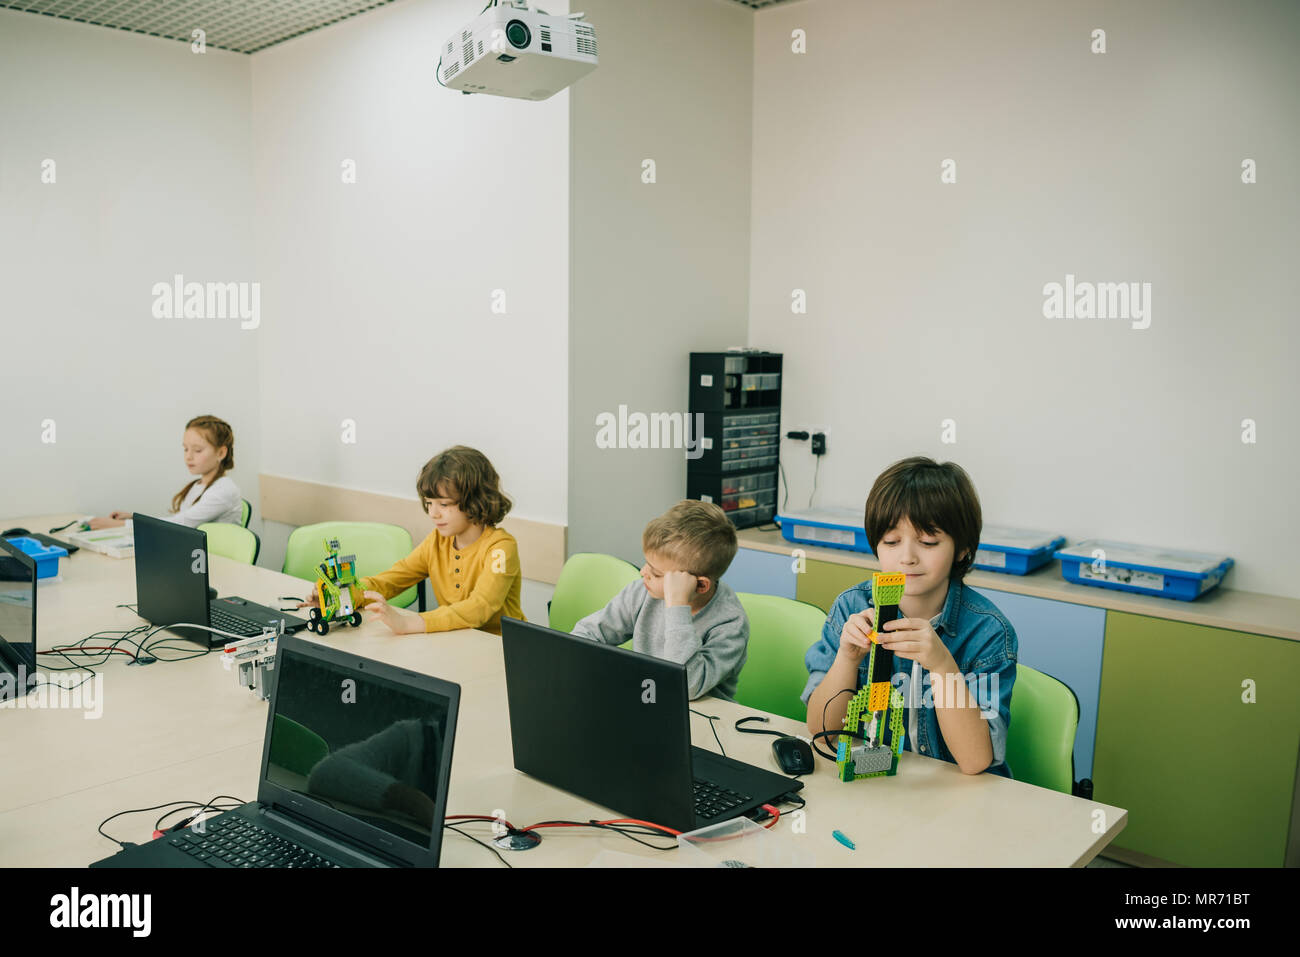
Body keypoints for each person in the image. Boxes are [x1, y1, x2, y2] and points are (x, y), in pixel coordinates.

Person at [803, 456, 1017, 776]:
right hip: (885, 782)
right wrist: (847, 659)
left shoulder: (988, 631)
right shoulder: (852, 607)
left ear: (962, 549)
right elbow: (824, 730)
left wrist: (942, 665)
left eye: (928, 542)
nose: (907, 558)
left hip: (957, 792)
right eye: (891, 541)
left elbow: (974, 762)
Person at [301, 445, 523, 635]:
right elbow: (391, 580)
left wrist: (409, 622)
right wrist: (341, 596)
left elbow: (479, 607)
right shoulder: (437, 541)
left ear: (475, 500)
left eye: (443, 505)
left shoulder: (500, 549)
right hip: (458, 643)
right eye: (429, 503)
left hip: (502, 652)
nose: (433, 513)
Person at [571, 500, 748, 700]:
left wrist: (677, 606)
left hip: (701, 718)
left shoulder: (730, 623)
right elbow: (586, 634)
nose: (643, 573)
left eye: (656, 573)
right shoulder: (642, 593)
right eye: (647, 564)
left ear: (700, 585)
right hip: (647, 701)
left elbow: (685, 686)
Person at [88, 415, 242, 529]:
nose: (188, 456)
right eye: (185, 449)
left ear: (221, 453)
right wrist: (133, 518)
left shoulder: (224, 491)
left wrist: (121, 525)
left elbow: (181, 524)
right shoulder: (197, 486)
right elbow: (179, 519)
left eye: (197, 450)